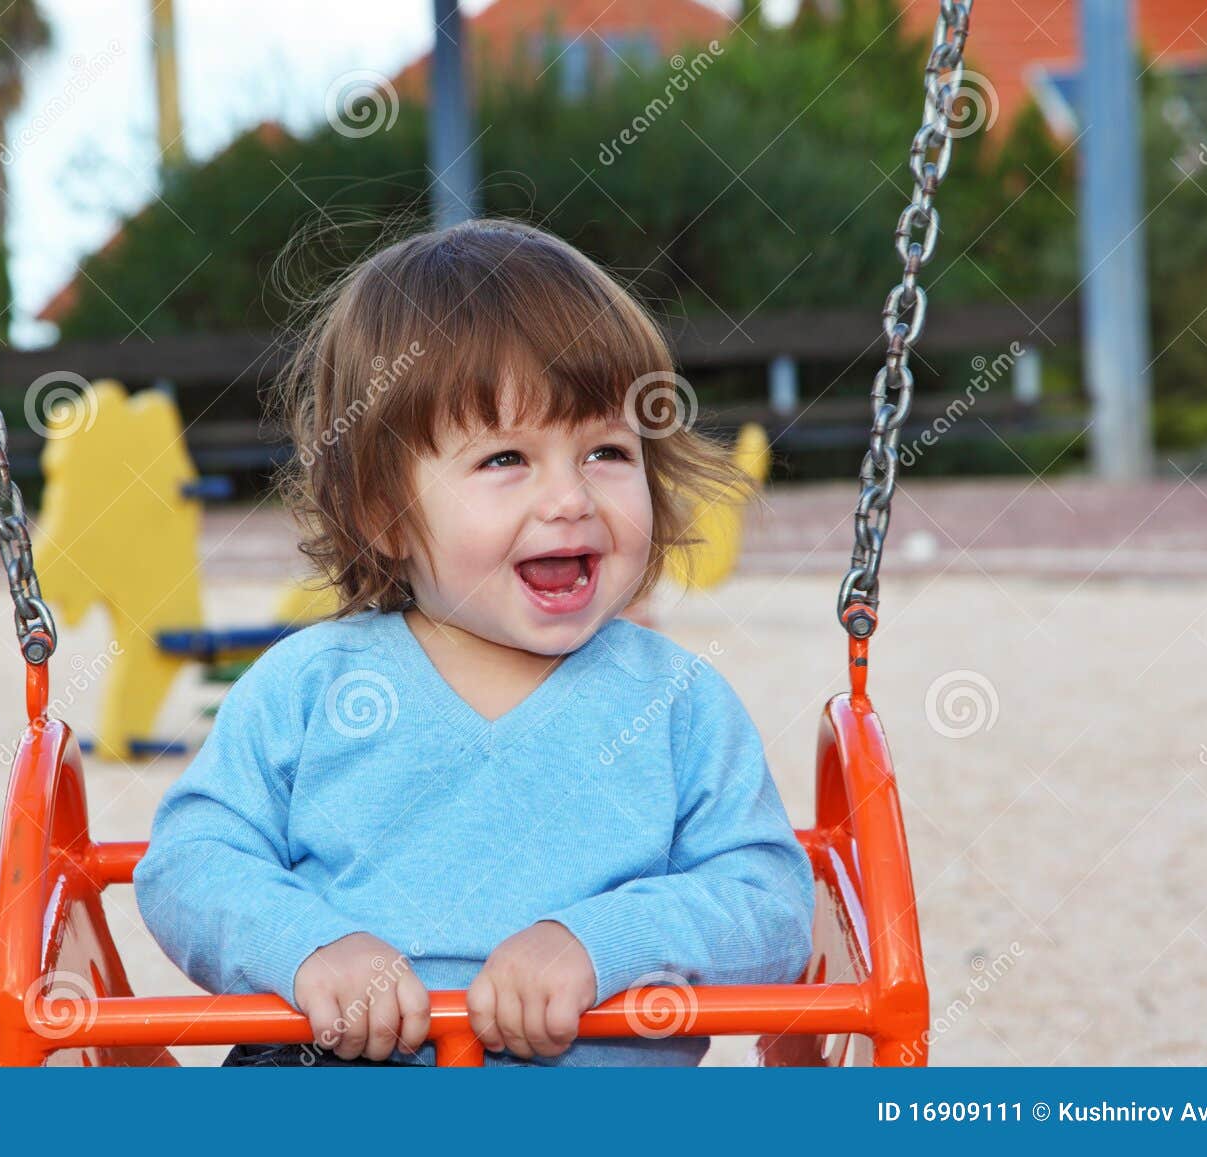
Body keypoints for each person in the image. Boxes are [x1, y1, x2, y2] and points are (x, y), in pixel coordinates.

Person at [133, 217, 813, 1067]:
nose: (569, 498)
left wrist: (600, 942)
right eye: (506, 459)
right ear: (383, 510)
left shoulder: (677, 700)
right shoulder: (309, 686)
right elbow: (191, 862)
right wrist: (310, 948)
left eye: (605, 450)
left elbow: (773, 906)